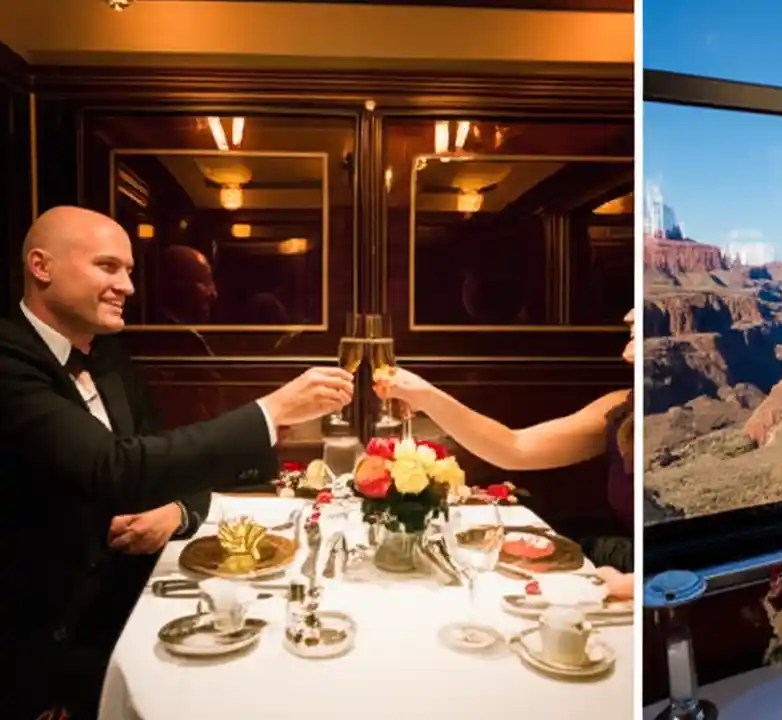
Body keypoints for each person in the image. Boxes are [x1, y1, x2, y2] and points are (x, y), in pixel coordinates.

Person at [0, 206, 353, 719]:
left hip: (134, 603)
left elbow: (163, 459)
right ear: (41, 266)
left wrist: (178, 513)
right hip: (46, 642)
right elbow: (118, 471)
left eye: (128, 270)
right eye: (107, 267)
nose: (127, 287)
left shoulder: (107, 359)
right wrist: (271, 411)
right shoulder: (8, 360)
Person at [374, 309, 636, 587]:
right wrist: (425, 396)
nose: (628, 317)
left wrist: (629, 586)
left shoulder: (681, 419)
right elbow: (515, 447)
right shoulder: (622, 408)